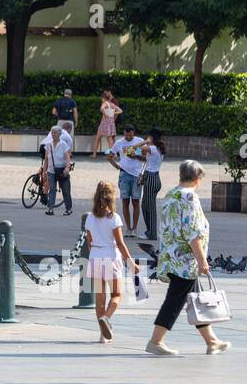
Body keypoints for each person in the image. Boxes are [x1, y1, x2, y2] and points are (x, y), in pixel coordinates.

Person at [148, 160, 230, 357]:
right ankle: (156, 341)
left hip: (171, 256)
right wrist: (202, 260)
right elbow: (193, 233)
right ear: (197, 178)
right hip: (185, 260)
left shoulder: (171, 194)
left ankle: (212, 341)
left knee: (194, 300)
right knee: (174, 301)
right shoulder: (189, 198)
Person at [83, 181, 137, 343]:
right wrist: (131, 262)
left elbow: (89, 241)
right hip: (111, 257)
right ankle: (106, 318)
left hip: (95, 257)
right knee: (116, 294)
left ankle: (102, 335)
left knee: (100, 297)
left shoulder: (90, 218)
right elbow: (120, 243)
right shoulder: (114, 218)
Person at [107, 125, 146, 236]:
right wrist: (117, 166)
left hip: (137, 175)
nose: (128, 136)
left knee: (135, 201)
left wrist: (136, 156)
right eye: (126, 134)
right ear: (123, 133)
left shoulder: (140, 141)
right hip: (124, 174)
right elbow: (110, 156)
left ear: (134, 133)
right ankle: (128, 228)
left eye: (130, 134)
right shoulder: (119, 143)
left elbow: (146, 158)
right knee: (125, 201)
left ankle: (134, 228)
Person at [140, 128, 166, 241]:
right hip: (152, 177)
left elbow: (132, 149)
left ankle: (152, 233)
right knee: (145, 205)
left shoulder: (153, 148)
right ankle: (149, 230)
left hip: (151, 178)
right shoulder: (157, 148)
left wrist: (145, 141)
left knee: (150, 207)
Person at [43, 125, 73, 217]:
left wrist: (67, 168)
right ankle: (50, 208)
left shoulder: (63, 144)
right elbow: (46, 159)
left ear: (59, 134)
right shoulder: (48, 145)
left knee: (65, 190)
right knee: (52, 189)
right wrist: (44, 170)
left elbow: (67, 157)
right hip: (51, 170)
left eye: (55, 132)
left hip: (61, 170)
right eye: (52, 132)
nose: (53, 134)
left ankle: (68, 208)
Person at [92, 90, 121, 157]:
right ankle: (114, 154)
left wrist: (105, 114)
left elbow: (101, 109)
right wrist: (113, 113)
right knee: (110, 138)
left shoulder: (105, 103)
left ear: (104, 98)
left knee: (98, 137)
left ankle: (94, 154)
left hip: (104, 122)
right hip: (111, 122)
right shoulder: (112, 104)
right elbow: (120, 111)